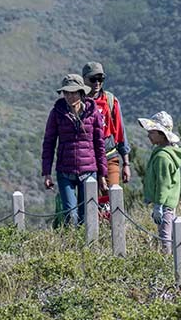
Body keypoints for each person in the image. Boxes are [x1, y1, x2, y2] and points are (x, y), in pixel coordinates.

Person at [42, 74, 108, 226]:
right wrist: (47, 173)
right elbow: (49, 143)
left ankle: (88, 248)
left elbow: (99, 145)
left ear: (81, 93)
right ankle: (70, 246)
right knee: (70, 215)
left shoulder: (93, 113)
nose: (70, 96)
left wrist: (102, 175)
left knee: (87, 216)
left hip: (89, 171)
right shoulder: (57, 113)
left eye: (74, 92)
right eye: (67, 93)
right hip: (65, 171)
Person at [139, 111, 181, 253]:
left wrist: (158, 204)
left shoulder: (162, 158)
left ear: (161, 134)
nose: (149, 135)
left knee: (165, 235)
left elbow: (163, 184)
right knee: (169, 231)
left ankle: (167, 260)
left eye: (152, 132)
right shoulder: (167, 152)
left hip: (165, 203)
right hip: (169, 201)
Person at [82, 62, 132, 187]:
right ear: (84, 80)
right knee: (91, 201)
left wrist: (126, 163)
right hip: (87, 160)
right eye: (93, 79)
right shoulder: (78, 102)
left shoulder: (110, 100)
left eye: (100, 79)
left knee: (111, 196)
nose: (97, 83)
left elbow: (120, 133)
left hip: (109, 156)